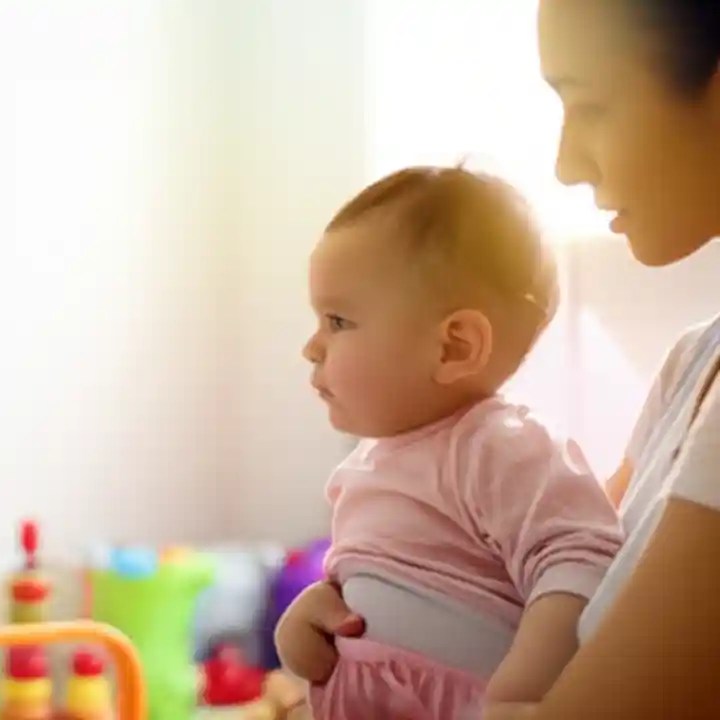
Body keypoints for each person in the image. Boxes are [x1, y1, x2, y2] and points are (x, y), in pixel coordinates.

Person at [277, 1, 720, 717]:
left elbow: (571, 568)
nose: (566, 163)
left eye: (592, 105)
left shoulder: (502, 447)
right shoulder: (688, 368)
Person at [300, 165, 622, 720]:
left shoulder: (498, 446)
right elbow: (370, 585)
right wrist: (310, 617)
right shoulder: (361, 470)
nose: (312, 346)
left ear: (454, 347)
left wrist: (522, 692)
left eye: (338, 320)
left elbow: (580, 560)